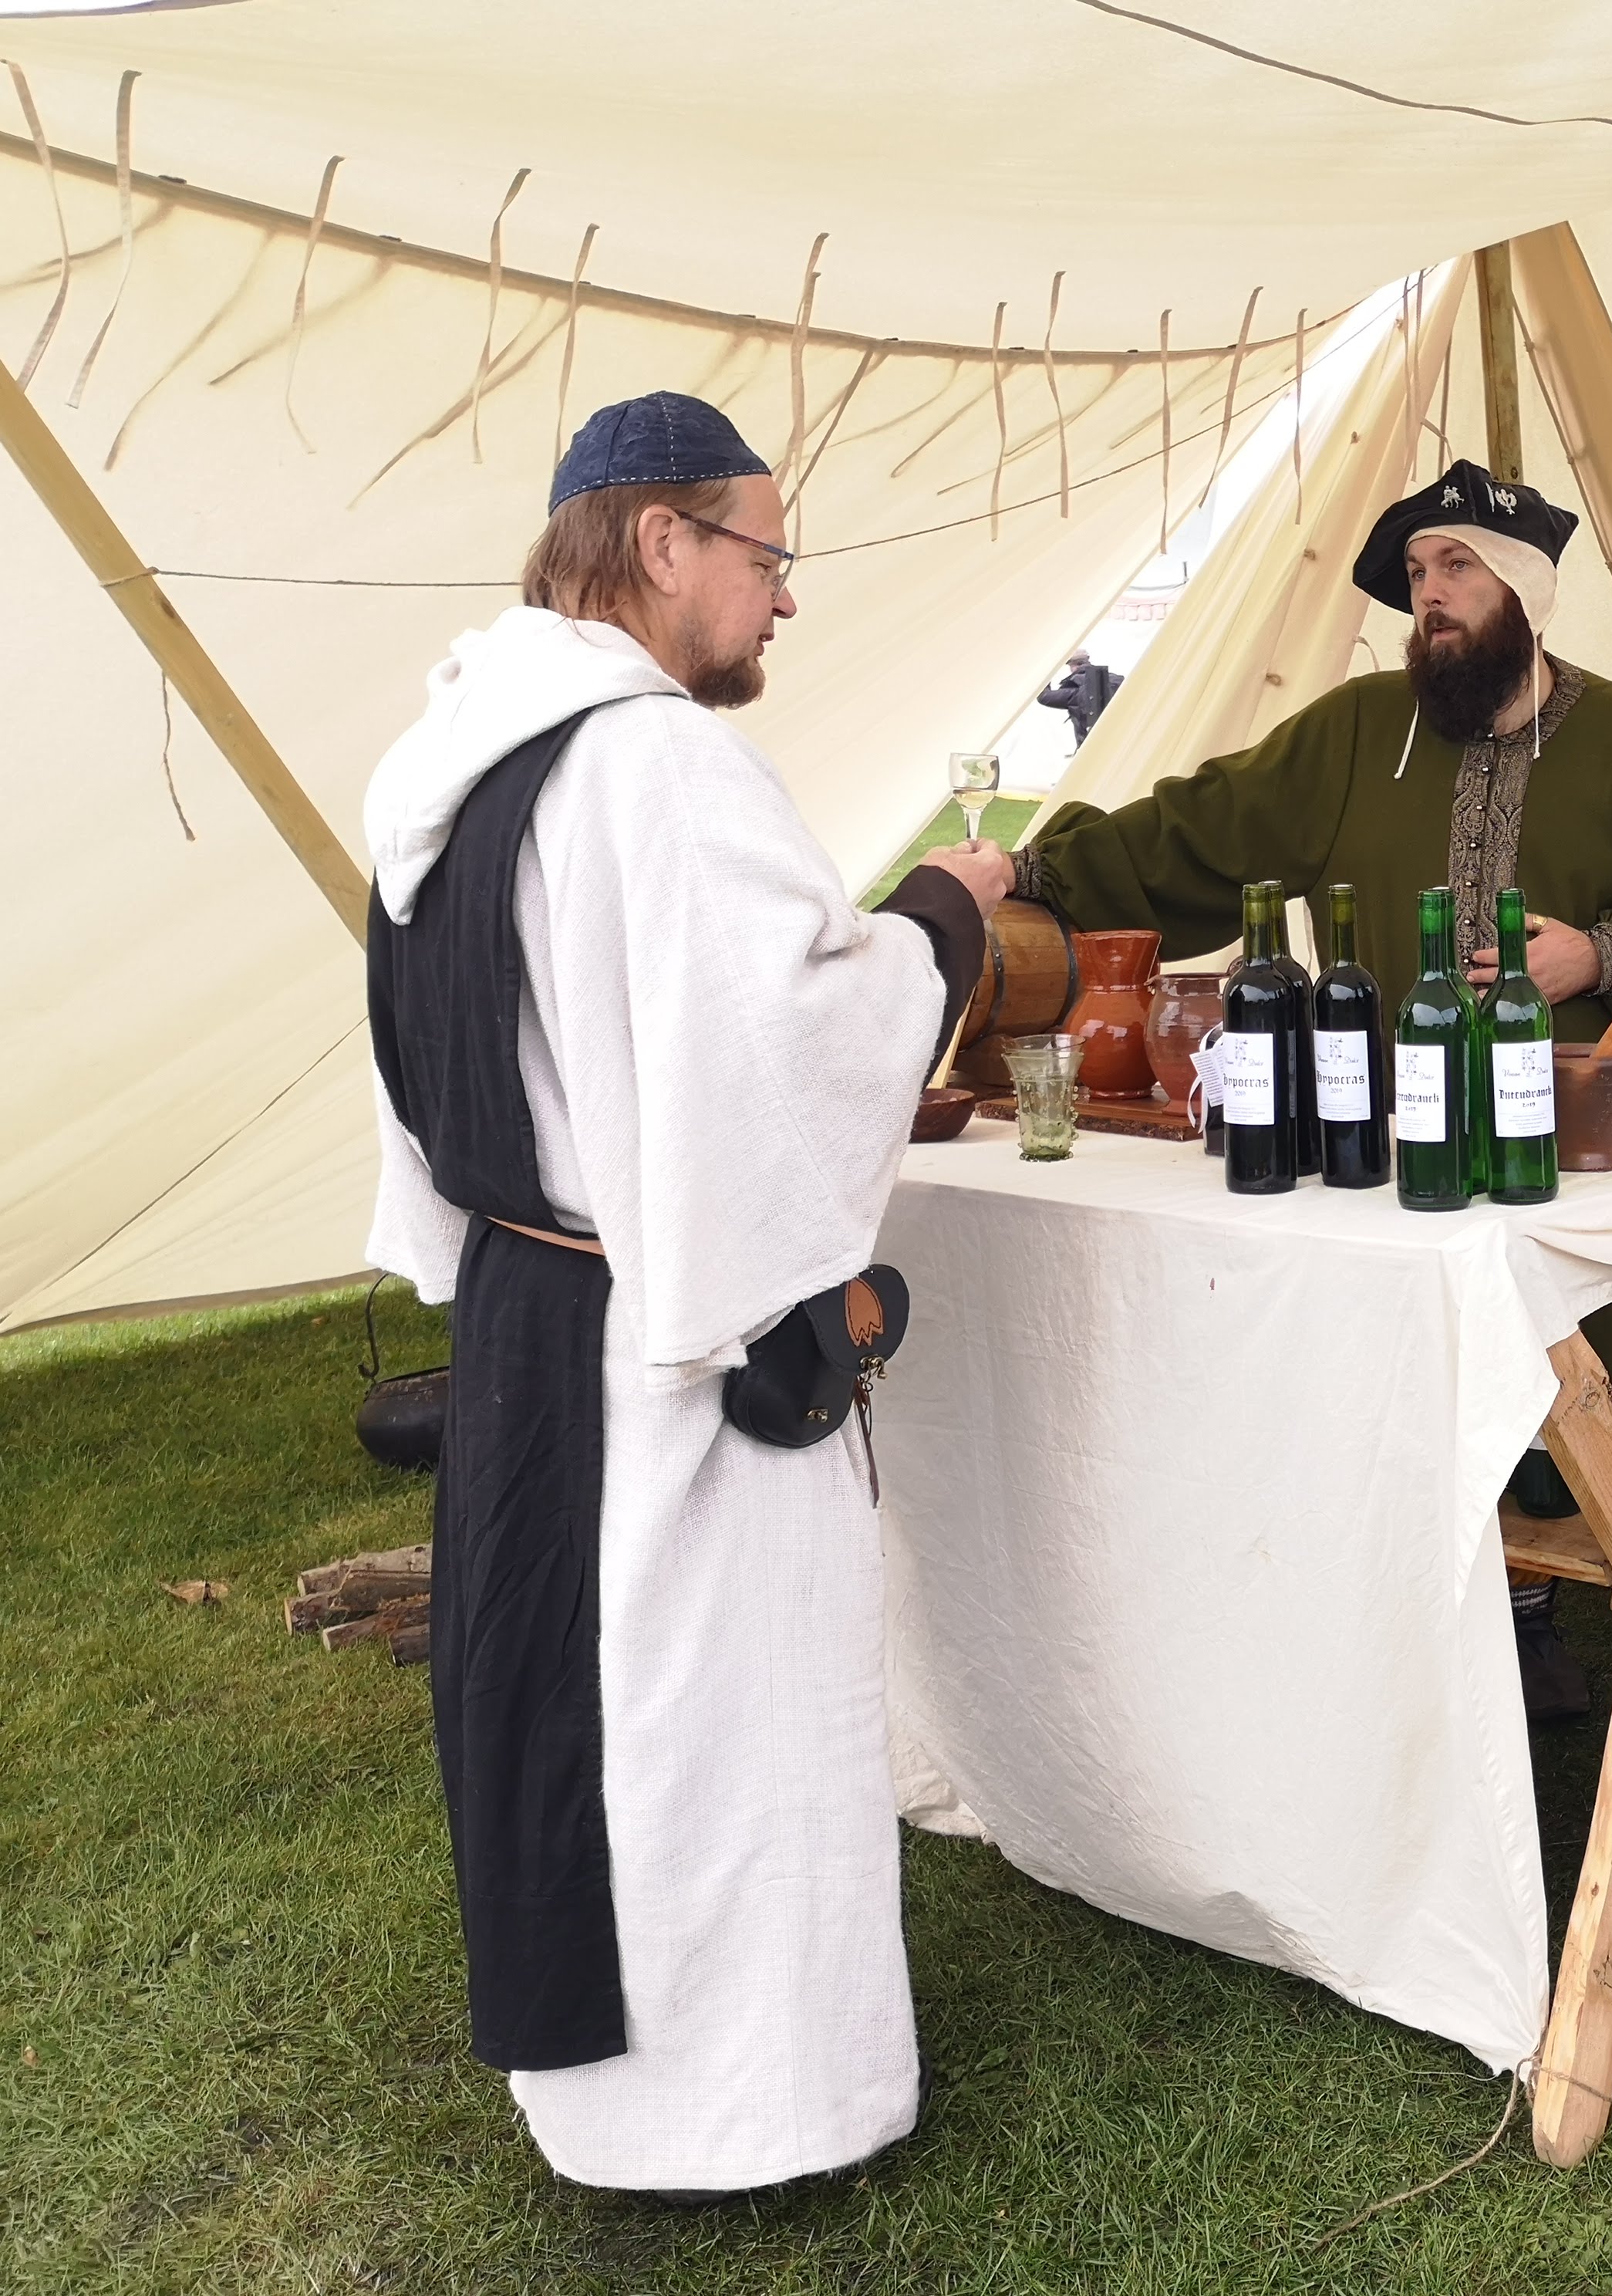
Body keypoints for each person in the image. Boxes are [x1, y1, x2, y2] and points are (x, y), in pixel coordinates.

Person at [362, 392, 1014, 2193]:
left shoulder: (453, 753)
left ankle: (618, 2100)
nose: (781, 601)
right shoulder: (649, 762)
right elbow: (778, 1043)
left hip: (526, 1306)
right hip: (652, 1333)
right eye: (766, 555)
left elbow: (438, 1062)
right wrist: (942, 919)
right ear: (661, 545)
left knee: (566, 1712)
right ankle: (747, 2119)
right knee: (694, 1719)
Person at [1014, 460, 1612, 1719]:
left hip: (1559, 1146)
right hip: (1388, 1145)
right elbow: (1194, 835)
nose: (1429, 595)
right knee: (1399, 1397)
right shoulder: (1359, 732)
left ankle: (1529, 1627)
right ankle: (1406, 1633)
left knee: (1551, 1404)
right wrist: (1032, 870)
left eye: (1456, 566)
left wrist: (1601, 949)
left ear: (1526, 587)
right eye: (1416, 574)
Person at [1037, 648, 1123, 746]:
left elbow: (1044, 697)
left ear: (1073, 665)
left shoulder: (1075, 689)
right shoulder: (1114, 680)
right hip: (1121, 741)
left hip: (1094, 747)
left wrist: (1045, 673)